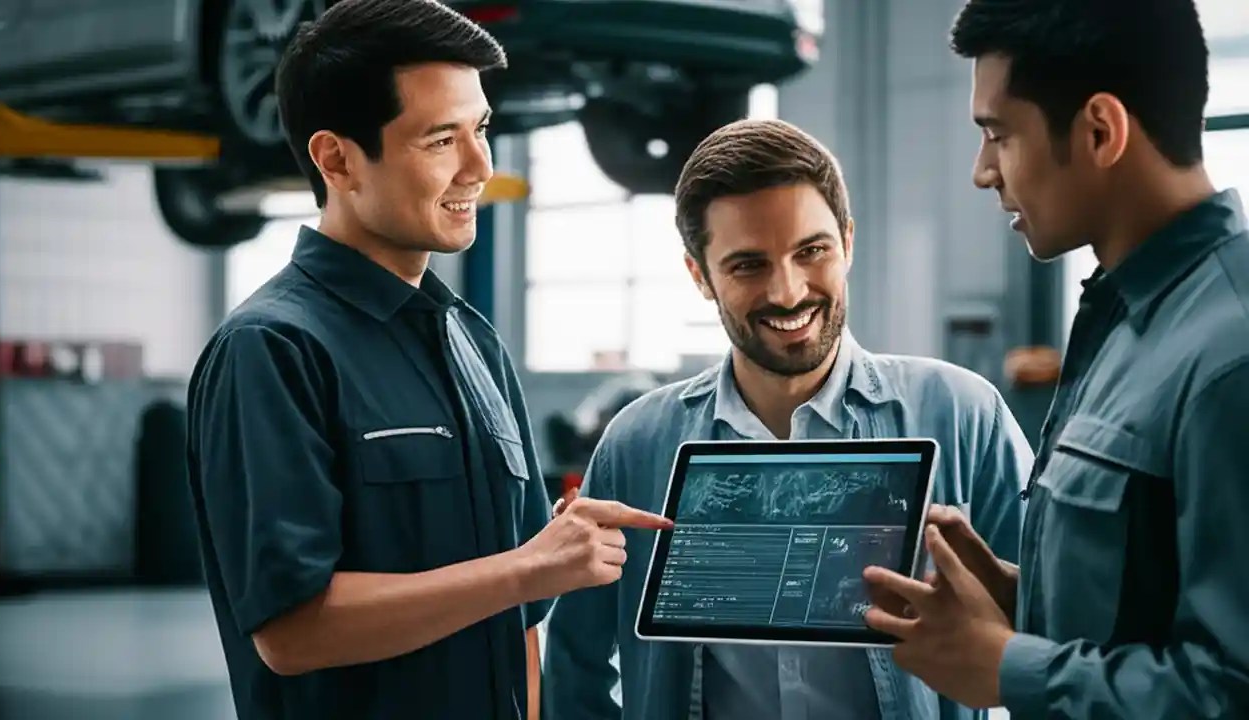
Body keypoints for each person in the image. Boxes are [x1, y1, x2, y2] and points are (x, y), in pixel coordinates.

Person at [184, 1, 671, 719]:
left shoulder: (474, 341)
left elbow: (521, 620)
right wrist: (525, 568)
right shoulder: (271, 351)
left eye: (481, 130)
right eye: (441, 139)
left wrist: (533, 572)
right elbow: (292, 630)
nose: (480, 166)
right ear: (337, 158)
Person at [542, 118, 1032, 720]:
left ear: (847, 243)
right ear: (700, 275)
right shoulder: (637, 443)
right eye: (748, 265)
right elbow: (576, 663)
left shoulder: (962, 414)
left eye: (812, 251)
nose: (788, 291)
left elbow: (1050, 626)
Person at [863, 1, 1249, 718]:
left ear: (1101, 130)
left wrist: (1008, 668)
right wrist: (1011, 596)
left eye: (998, 135)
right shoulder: (1122, 319)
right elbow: (1141, 615)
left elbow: (1231, 690)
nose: (984, 172)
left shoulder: (1232, 354)